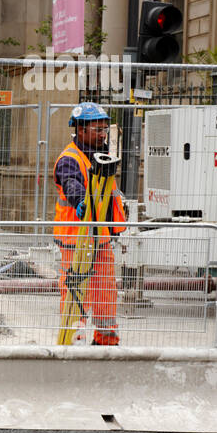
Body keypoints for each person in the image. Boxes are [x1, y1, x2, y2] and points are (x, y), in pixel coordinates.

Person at [54, 102, 127, 345]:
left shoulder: (104, 157)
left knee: (105, 293)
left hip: (101, 238)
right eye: (97, 129)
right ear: (81, 130)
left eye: (104, 129)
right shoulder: (70, 158)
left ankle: (107, 341)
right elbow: (71, 183)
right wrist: (79, 201)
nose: (102, 134)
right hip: (75, 239)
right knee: (76, 293)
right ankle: (73, 343)